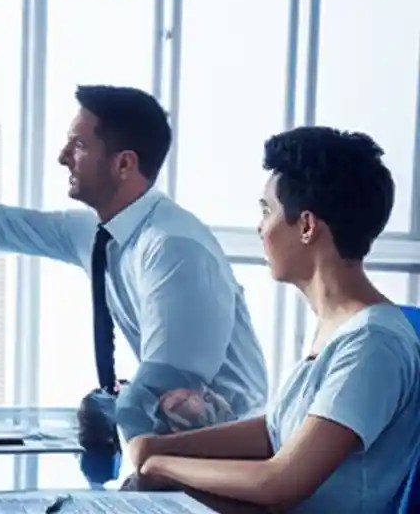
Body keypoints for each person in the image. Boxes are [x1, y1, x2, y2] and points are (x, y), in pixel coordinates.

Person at [0, 84, 267, 442]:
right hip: (170, 441)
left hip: (226, 454)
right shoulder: (97, 234)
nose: (63, 156)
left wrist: (115, 413)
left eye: (78, 145)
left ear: (124, 164)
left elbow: (174, 391)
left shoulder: (174, 248)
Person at [128, 126, 420, 512]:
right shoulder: (340, 328)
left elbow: (280, 482)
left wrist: (164, 465)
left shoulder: (372, 345)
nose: (260, 228)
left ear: (307, 226)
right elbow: (276, 432)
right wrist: (162, 445)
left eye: (267, 211)